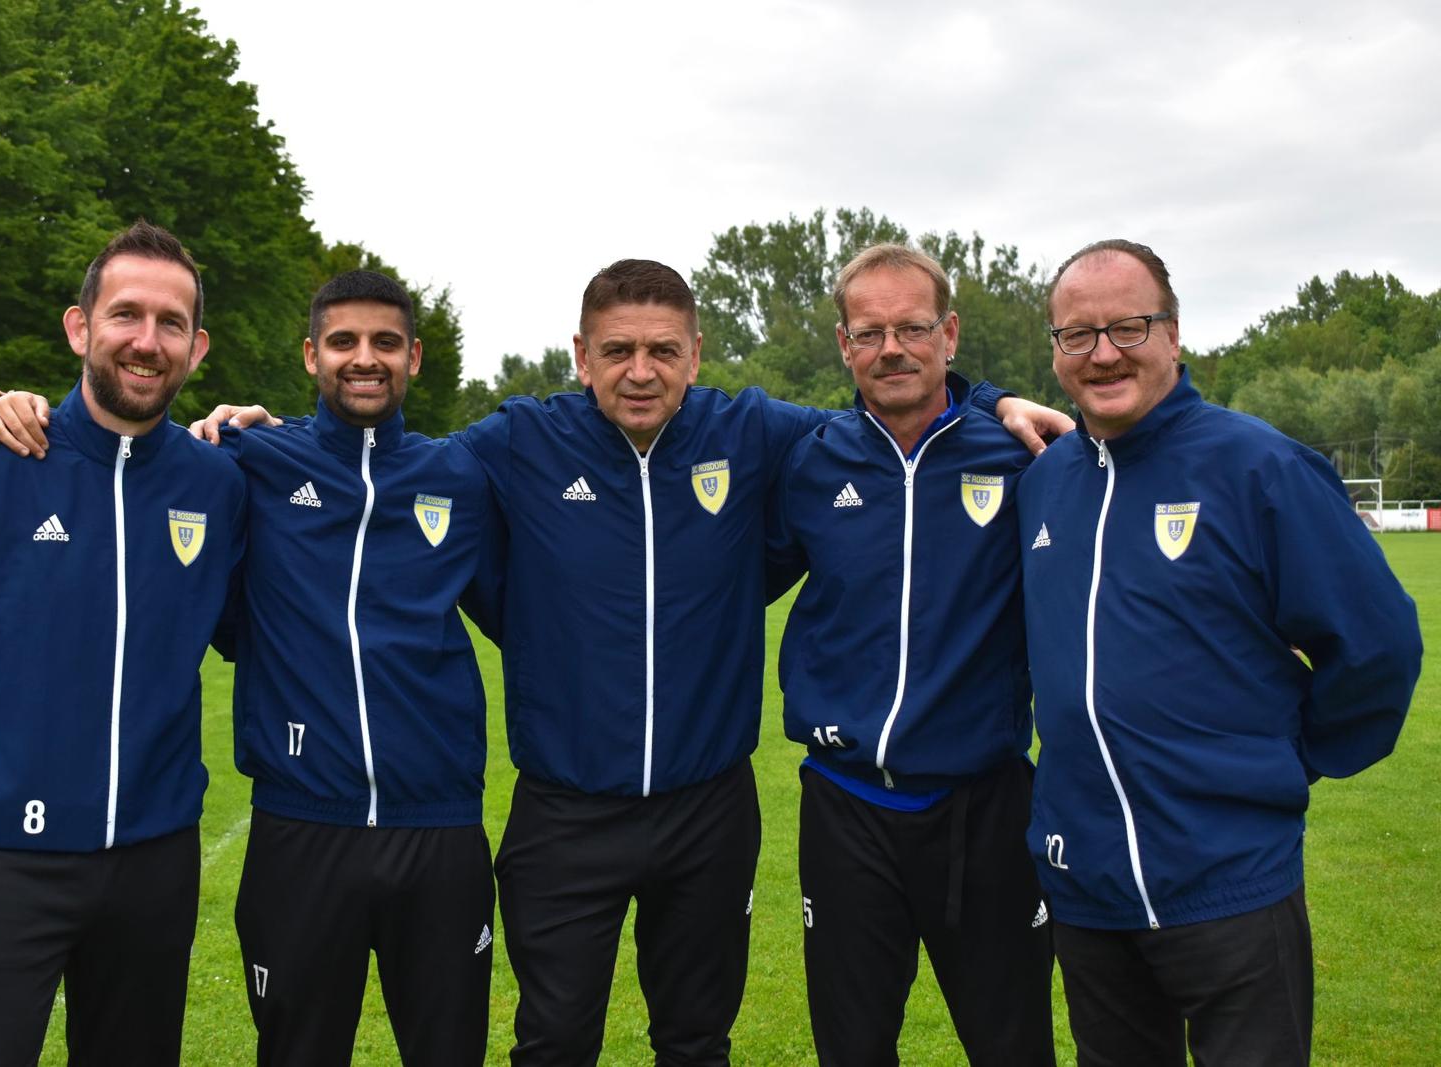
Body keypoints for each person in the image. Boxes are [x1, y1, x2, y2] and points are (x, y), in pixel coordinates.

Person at [455, 259, 1070, 1065]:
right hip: (565, 808)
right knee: (554, 1039)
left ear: (697, 354)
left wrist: (991, 398)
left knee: (698, 1040)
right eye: (618, 350)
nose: (641, 371)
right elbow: (389, 461)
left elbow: (891, 405)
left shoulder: (751, 432)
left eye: (663, 350)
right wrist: (262, 438)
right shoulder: (521, 440)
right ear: (581, 355)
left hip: (709, 808)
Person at [0, 269, 505, 1067]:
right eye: (345, 341)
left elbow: (526, 609)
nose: (366, 358)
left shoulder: (461, 475)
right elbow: (136, 456)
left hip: (441, 830)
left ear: (415, 358)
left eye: (386, 343)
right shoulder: (246, 462)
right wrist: (23, 404)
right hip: (300, 831)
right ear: (310, 354)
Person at [1018, 239, 1423, 1066]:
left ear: (1173, 332)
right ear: (1055, 352)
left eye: (1127, 327)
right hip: (1087, 886)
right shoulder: (1045, 481)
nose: (1103, 353)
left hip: (1229, 882)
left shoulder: (1260, 466)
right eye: (1077, 335)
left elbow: (1377, 644)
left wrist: (1293, 754)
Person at [0, 220, 246, 1065]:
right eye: (126, 315)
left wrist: (277, 442)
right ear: (80, 328)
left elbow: (253, 628)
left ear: (196, 346)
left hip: (152, 863)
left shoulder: (217, 483)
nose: (146, 341)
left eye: (170, 323)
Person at [768, 244, 1055, 1065]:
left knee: (1013, 1045)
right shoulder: (810, 459)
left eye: (912, 327)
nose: (891, 347)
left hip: (986, 806)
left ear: (951, 333)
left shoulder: (1021, 452)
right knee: (852, 1049)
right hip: (846, 806)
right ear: (843, 344)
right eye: (870, 331)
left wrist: (999, 403)